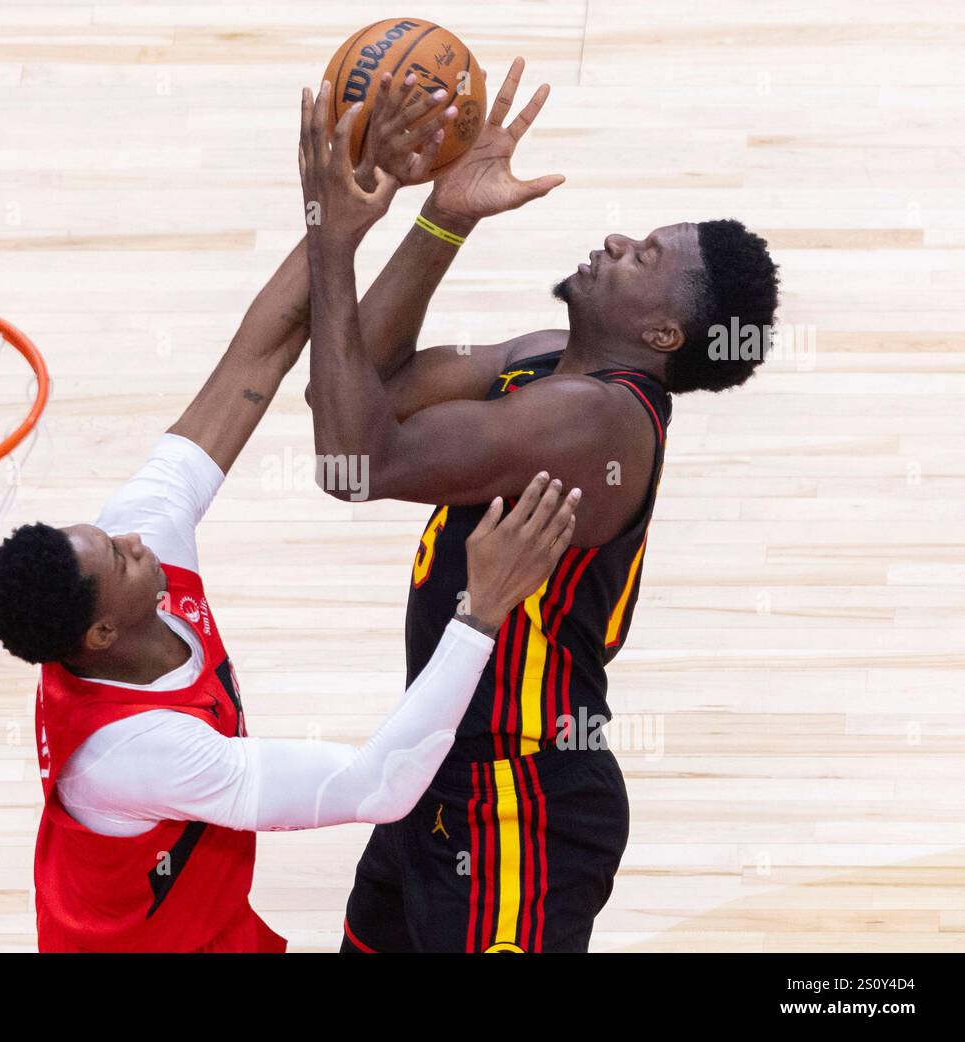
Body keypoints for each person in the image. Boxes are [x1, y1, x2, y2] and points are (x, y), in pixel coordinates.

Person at [0, 79, 580, 951]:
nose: (137, 538)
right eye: (120, 556)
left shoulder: (128, 575)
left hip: (197, 922)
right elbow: (379, 785)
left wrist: (348, 211)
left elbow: (252, 363)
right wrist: (481, 612)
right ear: (102, 636)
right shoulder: (137, 752)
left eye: (112, 534)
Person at [299, 59, 780, 952]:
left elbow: (351, 460)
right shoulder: (547, 357)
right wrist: (441, 219)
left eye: (645, 256)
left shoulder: (593, 422)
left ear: (664, 334)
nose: (613, 241)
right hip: (431, 766)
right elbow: (360, 388)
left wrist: (331, 241)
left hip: (516, 809)